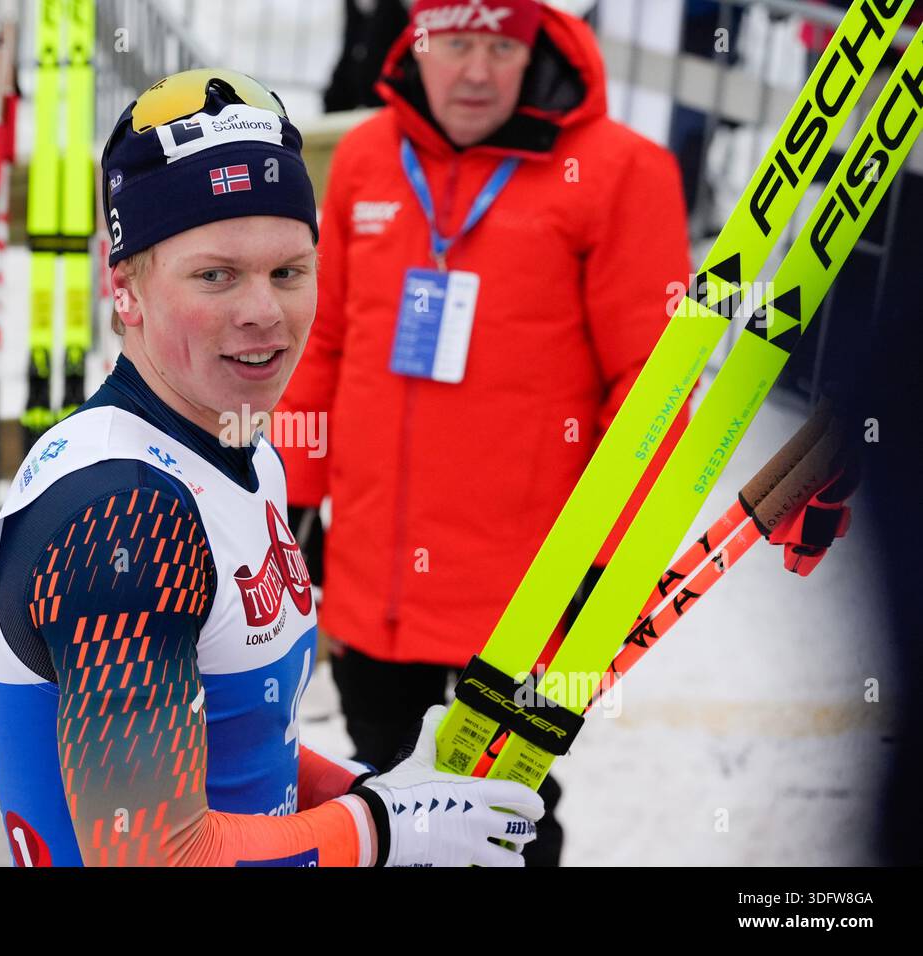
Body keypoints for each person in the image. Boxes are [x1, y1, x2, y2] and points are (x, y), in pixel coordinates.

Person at [0, 69, 546, 866]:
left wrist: (366, 793)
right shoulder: (121, 514)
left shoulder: (245, 455)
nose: (264, 312)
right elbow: (152, 854)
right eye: (216, 275)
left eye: (289, 271)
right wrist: (379, 833)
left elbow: (239, 743)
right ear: (125, 286)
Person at [276, 0, 693, 866]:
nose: (474, 71)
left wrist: (608, 570)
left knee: (509, 817)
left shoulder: (621, 174)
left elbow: (651, 392)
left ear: (536, 43)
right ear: (415, 43)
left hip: (529, 594)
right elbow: (322, 346)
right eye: (453, 43)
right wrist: (292, 507)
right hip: (375, 581)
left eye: (500, 46)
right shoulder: (364, 158)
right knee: (381, 806)